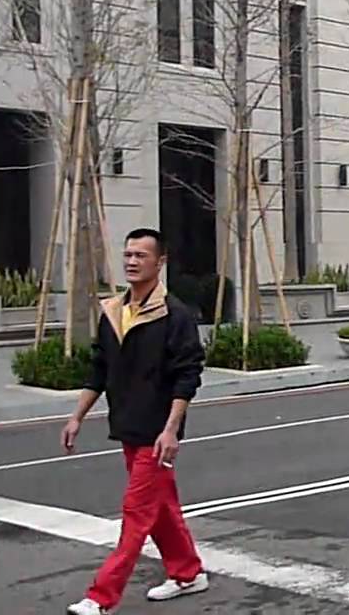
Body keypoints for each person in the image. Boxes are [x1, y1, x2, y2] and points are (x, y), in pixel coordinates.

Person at [62, 228, 206, 615]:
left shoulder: (176, 315)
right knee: (161, 507)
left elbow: (188, 375)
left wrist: (172, 429)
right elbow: (99, 370)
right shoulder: (113, 311)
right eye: (128, 254)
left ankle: (101, 597)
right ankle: (188, 572)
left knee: (137, 512)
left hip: (157, 432)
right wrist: (76, 417)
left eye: (141, 255)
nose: (131, 261)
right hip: (128, 425)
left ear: (160, 263)